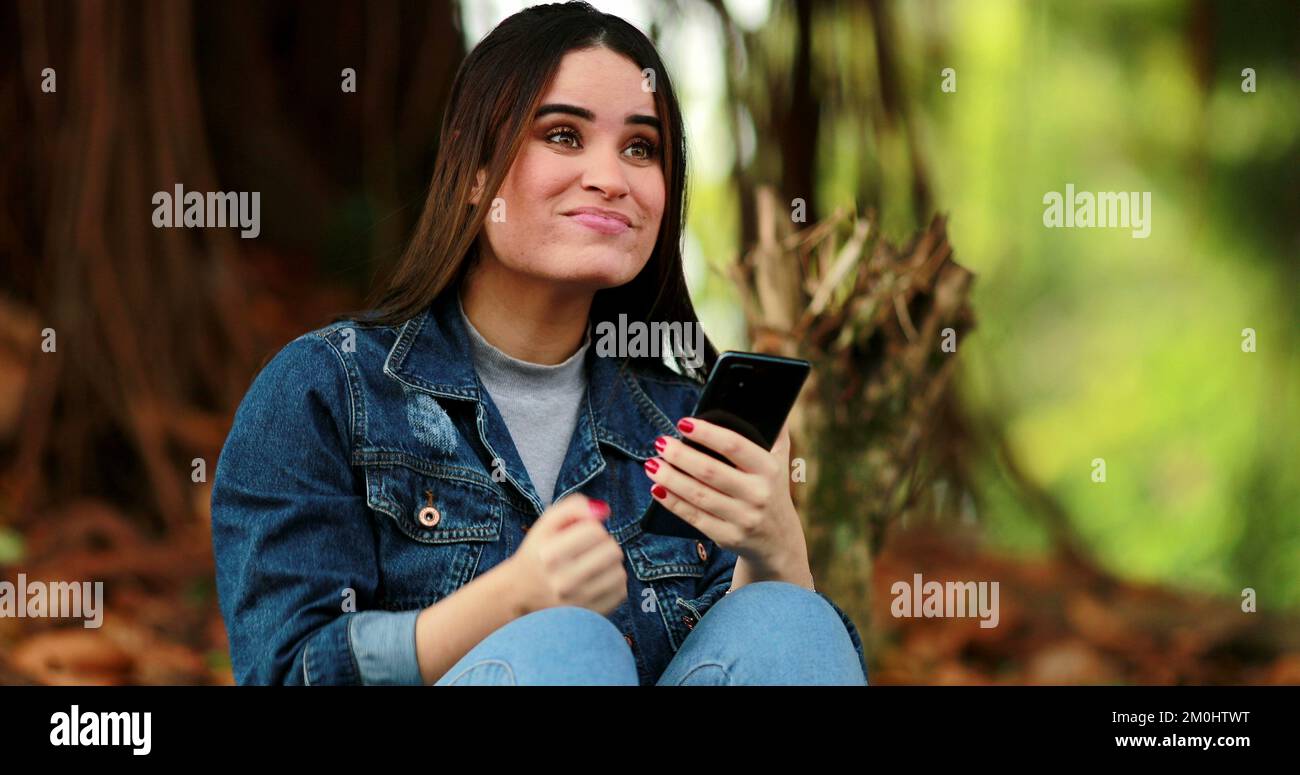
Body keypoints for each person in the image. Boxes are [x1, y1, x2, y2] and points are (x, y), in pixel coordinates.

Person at [211, 1, 867, 686]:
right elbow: (285, 671)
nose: (611, 179)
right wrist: (508, 600)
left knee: (795, 620)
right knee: (566, 648)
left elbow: (743, 663)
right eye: (562, 135)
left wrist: (775, 547)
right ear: (472, 171)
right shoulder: (328, 391)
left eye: (641, 148)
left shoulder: (683, 430)